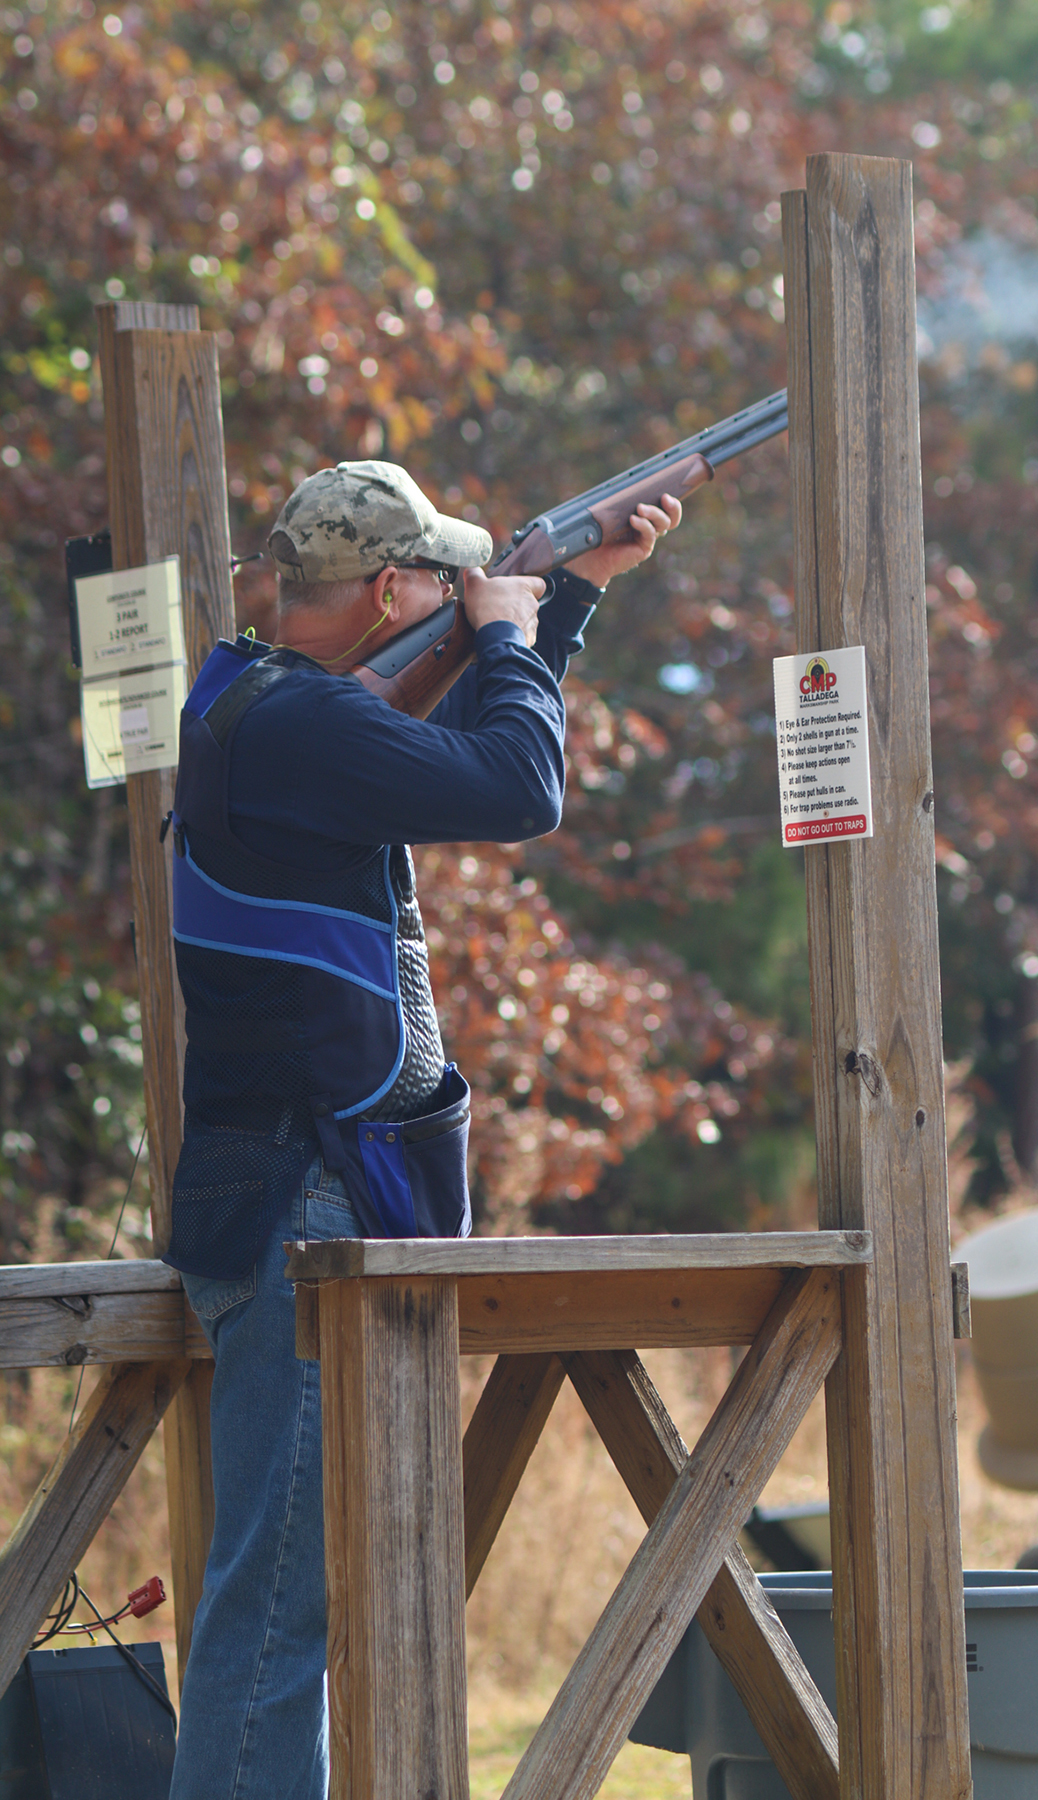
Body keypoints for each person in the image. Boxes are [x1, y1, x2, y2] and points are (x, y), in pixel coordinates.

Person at [162, 456, 682, 1800]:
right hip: (303, 1205)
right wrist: (509, 628)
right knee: (277, 1612)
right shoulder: (306, 727)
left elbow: (417, 754)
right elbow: (515, 788)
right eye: (444, 581)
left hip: (282, 1190)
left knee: (286, 1605)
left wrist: (556, 603)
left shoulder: (257, 700)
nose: (459, 596)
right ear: (394, 587)